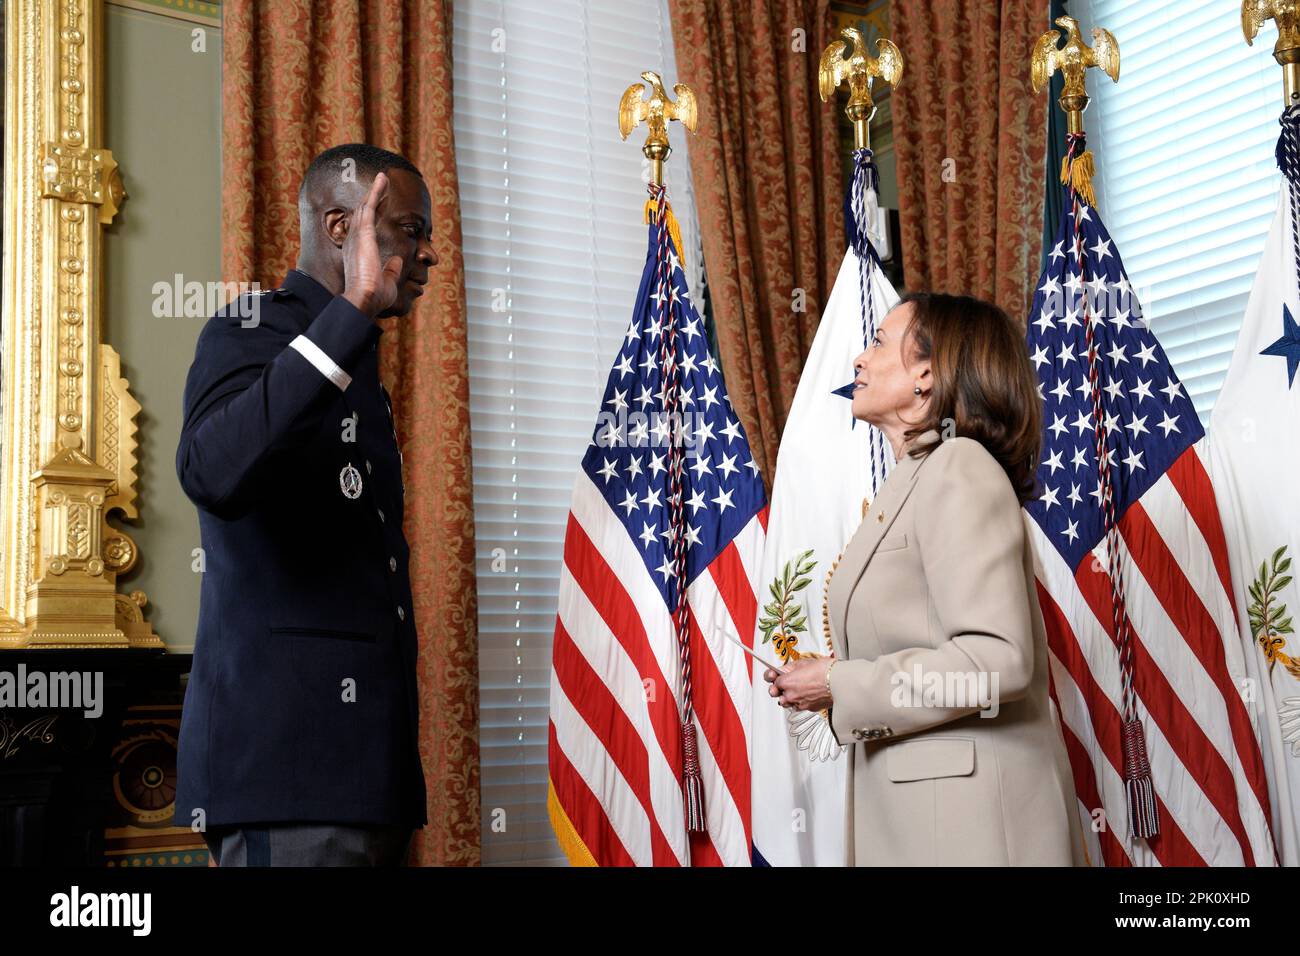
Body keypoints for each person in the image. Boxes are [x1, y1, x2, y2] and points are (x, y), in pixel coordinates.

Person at [174, 143, 436, 866]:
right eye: (410, 230)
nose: (428, 254)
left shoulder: (357, 362)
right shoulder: (250, 329)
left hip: (365, 781)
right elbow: (212, 473)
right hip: (286, 775)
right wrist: (350, 310)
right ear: (341, 227)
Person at [765, 291, 1084, 866]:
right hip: (925, 824)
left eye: (879, 342)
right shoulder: (916, 476)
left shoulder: (959, 468)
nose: (860, 359)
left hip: (971, 834)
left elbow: (996, 662)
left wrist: (840, 683)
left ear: (927, 375)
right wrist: (834, 680)